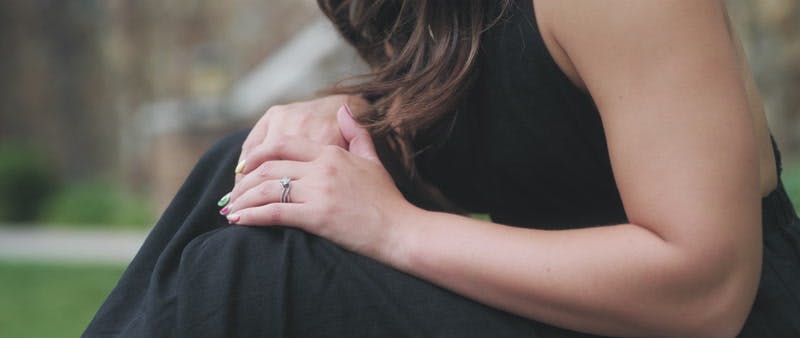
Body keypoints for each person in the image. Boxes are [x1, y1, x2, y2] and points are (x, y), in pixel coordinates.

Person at [84, 0, 800, 337]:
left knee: (261, 269)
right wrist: (348, 123)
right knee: (249, 168)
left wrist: (392, 230)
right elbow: (509, 140)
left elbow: (705, 295)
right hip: (564, 309)